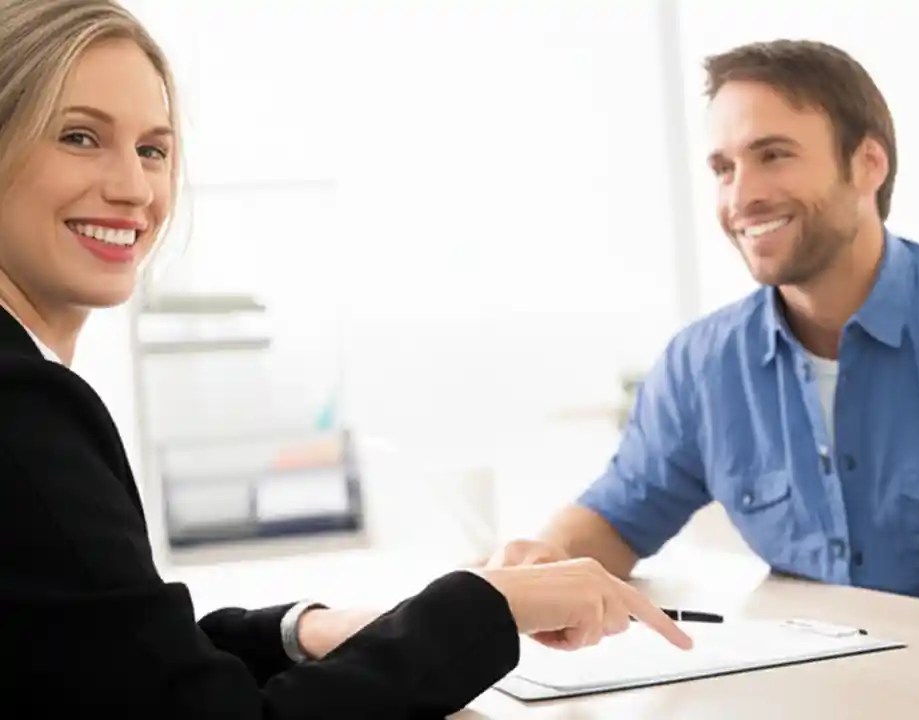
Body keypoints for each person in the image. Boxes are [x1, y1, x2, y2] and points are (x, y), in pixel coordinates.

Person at [0, 0, 690, 714]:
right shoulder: (22, 403)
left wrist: (307, 631)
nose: (134, 188)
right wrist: (483, 607)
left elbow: (112, 660)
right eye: (79, 137)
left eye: (153, 149)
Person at [489, 39, 919, 607]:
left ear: (868, 164)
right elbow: (616, 521)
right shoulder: (702, 367)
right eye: (723, 168)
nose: (741, 197)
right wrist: (535, 563)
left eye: (773, 156)